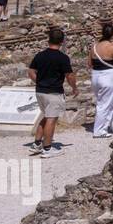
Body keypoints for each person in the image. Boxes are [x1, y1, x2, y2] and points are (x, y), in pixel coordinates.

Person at [28, 27, 77, 157]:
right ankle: (47, 148)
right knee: (51, 119)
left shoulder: (40, 55)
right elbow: (69, 76)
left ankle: (37, 144)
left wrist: (39, 81)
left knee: (45, 116)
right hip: (54, 92)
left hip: (40, 91)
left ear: (48, 40)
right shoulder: (63, 58)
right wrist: (74, 88)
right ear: (62, 42)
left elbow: (31, 71)